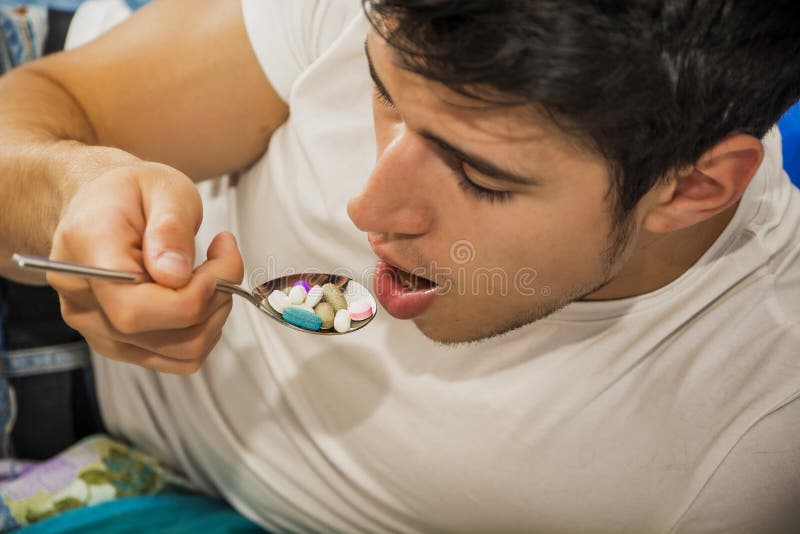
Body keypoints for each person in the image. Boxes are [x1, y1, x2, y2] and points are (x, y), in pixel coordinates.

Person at [1, 0, 799, 531]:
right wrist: (72, 189)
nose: (368, 209)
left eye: (480, 176)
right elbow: (44, 102)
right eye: (379, 94)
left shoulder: (749, 449)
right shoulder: (372, 11)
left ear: (692, 186)